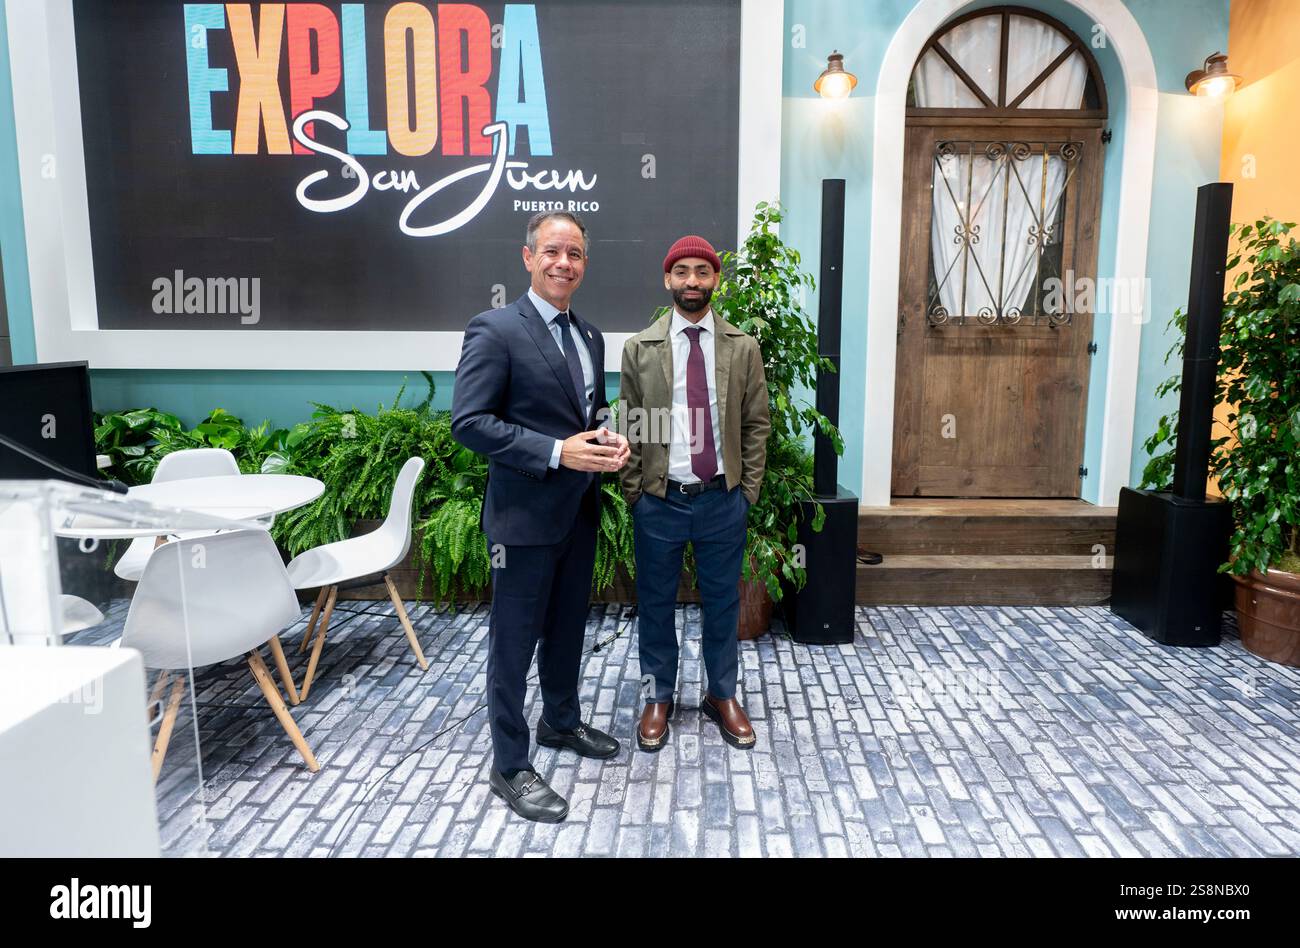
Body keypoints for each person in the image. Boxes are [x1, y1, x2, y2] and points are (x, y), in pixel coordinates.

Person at [451, 211, 630, 822]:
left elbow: (591, 407)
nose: (564, 263)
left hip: (578, 513)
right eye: (552, 251)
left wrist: (610, 436)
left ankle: (559, 722)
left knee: (568, 629)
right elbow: (470, 424)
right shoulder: (495, 328)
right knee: (512, 644)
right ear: (527, 257)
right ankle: (509, 764)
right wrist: (557, 451)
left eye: (575, 254)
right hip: (522, 521)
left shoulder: (592, 336)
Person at [618, 235, 770, 753]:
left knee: (723, 602)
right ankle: (658, 696)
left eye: (702, 272)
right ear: (668, 280)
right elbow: (632, 423)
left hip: (721, 500)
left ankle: (721, 694)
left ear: (715, 281)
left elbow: (756, 424)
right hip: (659, 501)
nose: (691, 282)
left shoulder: (742, 347)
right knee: (655, 601)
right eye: (681, 271)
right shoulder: (640, 348)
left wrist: (746, 490)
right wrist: (635, 491)